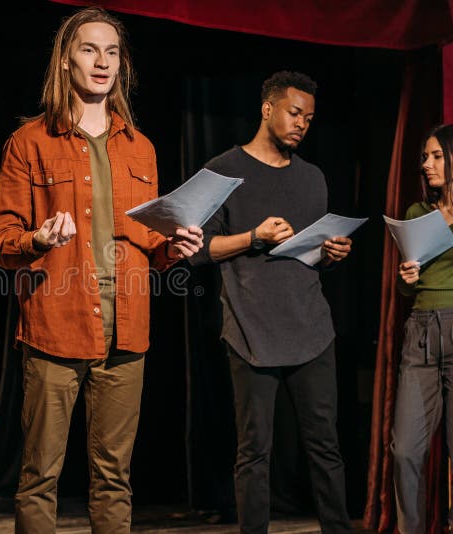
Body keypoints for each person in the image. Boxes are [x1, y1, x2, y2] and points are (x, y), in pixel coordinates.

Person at [0, 7, 203, 533]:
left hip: (127, 334)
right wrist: (37, 238)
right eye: (89, 49)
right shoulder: (30, 142)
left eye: (112, 51)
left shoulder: (142, 147)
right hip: (55, 331)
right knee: (40, 476)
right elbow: (0, 239)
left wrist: (176, 247)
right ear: (66, 61)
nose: (102, 61)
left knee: (114, 478)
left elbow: (151, 243)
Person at [187, 71, 352, 533]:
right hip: (250, 330)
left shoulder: (313, 178)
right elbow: (198, 250)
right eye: (294, 113)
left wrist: (332, 254)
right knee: (253, 451)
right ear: (267, 109)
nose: (302, 124)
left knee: (325, 448)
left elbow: (314, 255)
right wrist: (252, 237)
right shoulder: (224, 169)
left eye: (309, 118)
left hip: (312, 330)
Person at [392, 124, 453, 534]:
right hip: (421, 332)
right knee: (405, 451)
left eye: (435, 156)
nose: (426, 164)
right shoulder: (417, 214)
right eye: (424, 157)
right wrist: (405, 277)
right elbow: (402, 288)